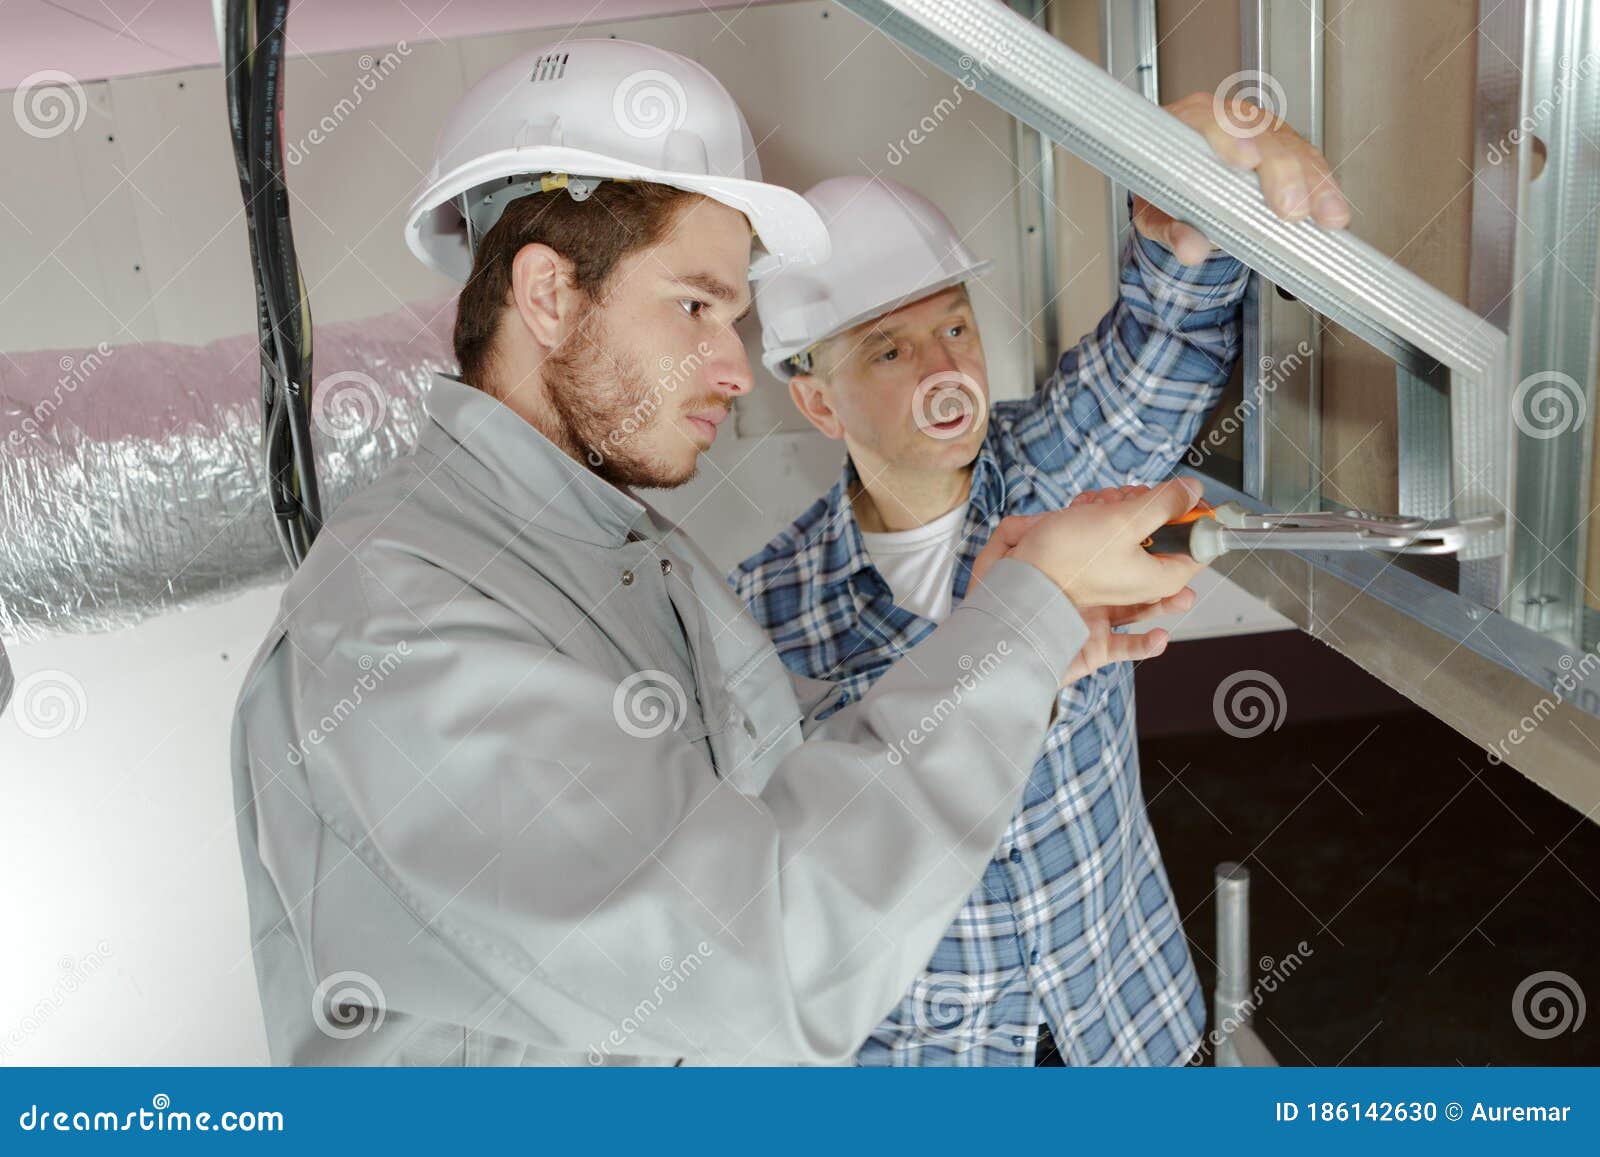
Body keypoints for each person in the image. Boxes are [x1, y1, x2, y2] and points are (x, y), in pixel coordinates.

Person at [228, 37, 1208, 1066]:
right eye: (695, 305)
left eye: (734, 318)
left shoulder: (638, 562)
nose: (734, 370)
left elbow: (782, 809)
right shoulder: (397, 610)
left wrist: (1024, 654)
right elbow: (756, 958)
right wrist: (1023, 621)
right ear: (549, 295)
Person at [731, 108, 1349, 1065]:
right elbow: (786, 884)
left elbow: (1165, 346)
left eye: (954, 324)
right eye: (889, 350)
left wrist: (1190, 217)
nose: (947, 368)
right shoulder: (764, 617)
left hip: (1131, 1025)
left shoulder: (1053, 472)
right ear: (817, 399)